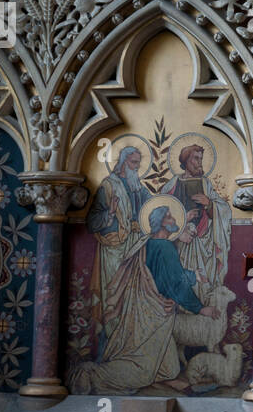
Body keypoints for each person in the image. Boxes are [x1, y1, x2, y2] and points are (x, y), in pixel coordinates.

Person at [68, 204, 223, 394]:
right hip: (153, 313)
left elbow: (162, 275)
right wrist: (200, 308)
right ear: (161, 224)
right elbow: (175, 283)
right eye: (169, 217)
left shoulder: (146, 243)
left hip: (142, 309)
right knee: (142, 368)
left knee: (170, 369)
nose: (174, 220)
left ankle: (179, 385)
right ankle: (92, 375)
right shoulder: (165, 247)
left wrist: (192, 275)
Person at [86, 145, 151, 355]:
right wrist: (111, 214)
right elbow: (92, 221)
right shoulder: (108, 186)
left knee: (135, 297)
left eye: (138, 165)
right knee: (115, 297)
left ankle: (131, 349)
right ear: (123, 163)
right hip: (114, 250)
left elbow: (154, 207)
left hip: (136, 248)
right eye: (133, 163)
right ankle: (110, 349)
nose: (136, 168)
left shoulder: (138, 188)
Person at [160, 143, 231, 291]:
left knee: (203, 284)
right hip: (180, 240)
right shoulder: (171, 185)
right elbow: (161, 214)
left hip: (203, 240)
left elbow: (224, 210)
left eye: (201, 159)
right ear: (186, 161)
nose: (199, 162)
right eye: (195, 158)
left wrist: (209, 204)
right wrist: (183, 220)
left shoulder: (205, 184)